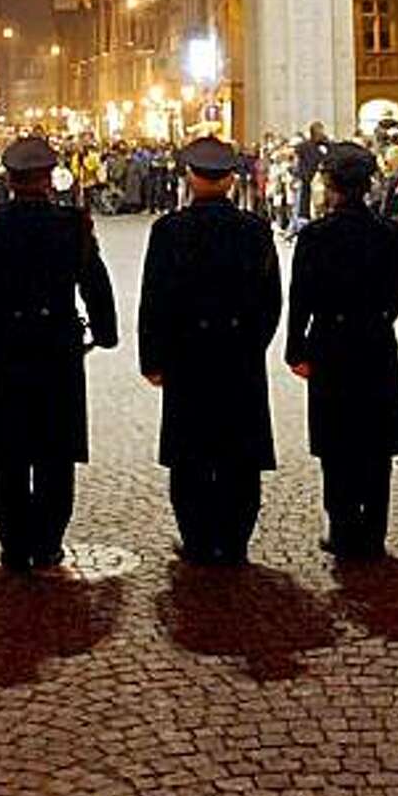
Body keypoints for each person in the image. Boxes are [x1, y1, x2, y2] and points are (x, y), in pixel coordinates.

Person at [0, 133, 117, 573]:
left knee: (9, 452)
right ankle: (48, 541)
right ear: (50, 179)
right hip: (57, 349)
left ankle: (13, 545)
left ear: (9, 180)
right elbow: (94, 282)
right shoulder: (73, 224)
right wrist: (105, 333)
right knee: (56, 449)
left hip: (6, 351)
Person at [138, 134, 281, 567]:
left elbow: (154, 299)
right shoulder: (254, 230)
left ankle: (198, 539)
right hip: (239, 357)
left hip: (186, 357)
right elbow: (271, 299)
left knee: (190, 451)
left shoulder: (168, 230)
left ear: (189, 177)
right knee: (240, 452)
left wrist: (153, 358)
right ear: (232, 181)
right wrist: (253, 343)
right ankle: (235, 540)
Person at [286, 143, 398, 559]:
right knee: (376, 441)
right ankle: (374, 531)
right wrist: (377, 320)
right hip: (375, 342)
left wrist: (295, 347)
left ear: (330, 185)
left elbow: (300, 297)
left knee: (337, 439)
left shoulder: (316, 236)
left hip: (331, 344)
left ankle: (341, 526)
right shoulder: (391, 233)